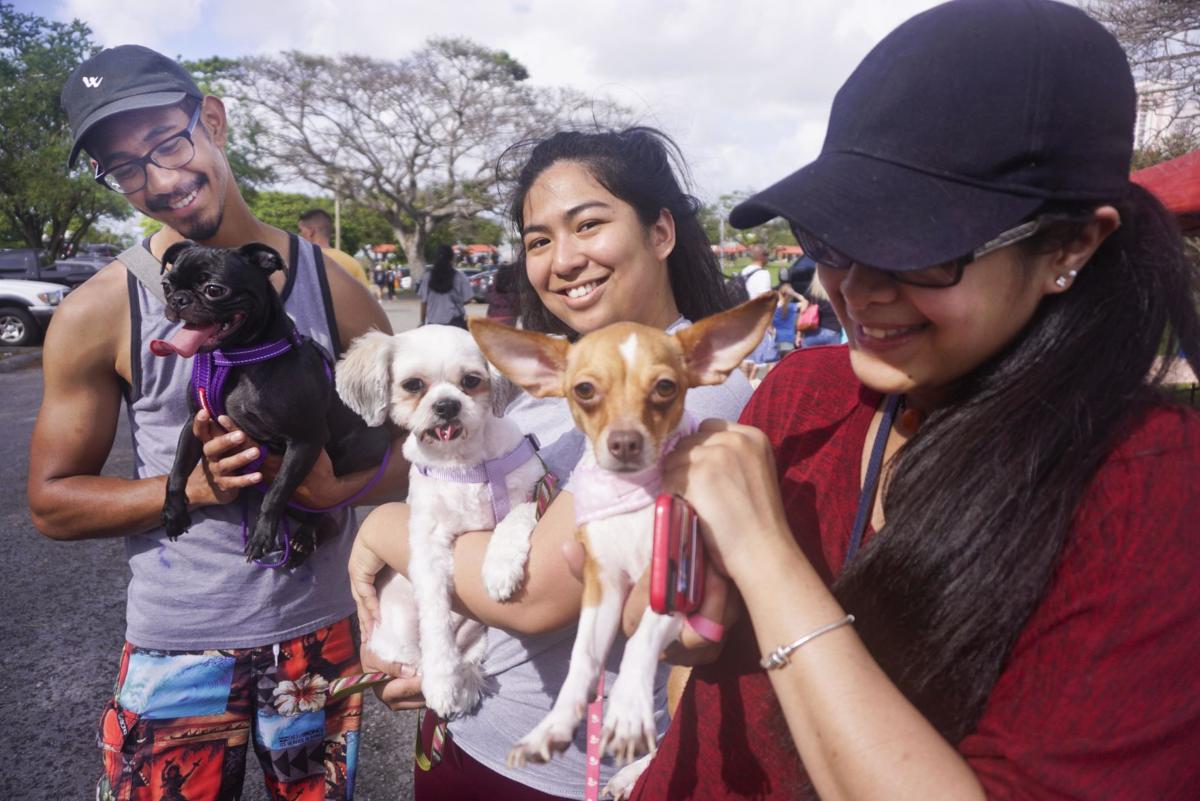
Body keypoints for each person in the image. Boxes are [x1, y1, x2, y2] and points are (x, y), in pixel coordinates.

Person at [627, 2, 1200, 799]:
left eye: (919, 250)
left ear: (1070, 245)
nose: (857, 291)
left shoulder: (1150, 487)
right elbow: (672, 634)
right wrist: (689, 622)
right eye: (829, 239)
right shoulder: (803, 394)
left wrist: (764, 556)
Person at [31, 45, 409, 801]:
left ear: (212, 120)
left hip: (319, 639)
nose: (160, 181)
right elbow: (51, 502)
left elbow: (418, 449)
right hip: (178, 647)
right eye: (125, 167)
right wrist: (193, 490)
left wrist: (332, 486)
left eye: (169, 143)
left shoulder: (332, 286)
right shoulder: (98, 309)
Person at [348, 127, 753, 799]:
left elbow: (534, 592)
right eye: (538, 240)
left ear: (660, 232)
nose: (562, 260)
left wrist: (382, 530)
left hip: (561, 774)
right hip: (465, 727)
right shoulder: (552, 380)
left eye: (587, 225)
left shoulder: (689, 393)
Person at [297, 206, 373, 288]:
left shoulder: (298, 261)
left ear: (310, 232)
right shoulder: (352, 263)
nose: (299, 235)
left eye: (301, 231)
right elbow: (365, 297)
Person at [417, 244, 473, 328]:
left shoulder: (427, 276)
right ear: (452, 258)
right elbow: (469, 298)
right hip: (455, 322)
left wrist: (422, 321)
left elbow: (424, 302)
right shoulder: (459, 276)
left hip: (433, 324)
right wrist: (458, 302)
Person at [798, 273, 842, 347]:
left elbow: (803, 312)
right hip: (833, 330)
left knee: (809, 357)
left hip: (811, 331)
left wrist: (798, 335)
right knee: (833, 358)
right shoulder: (836, 290)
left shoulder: (812, 291)